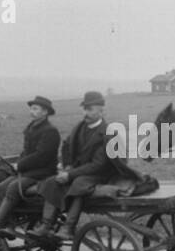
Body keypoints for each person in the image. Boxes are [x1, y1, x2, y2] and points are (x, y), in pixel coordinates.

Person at [31, 91, 115, 238]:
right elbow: (66, 146)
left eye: (90, 109)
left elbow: (98, 164)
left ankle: (68, 228)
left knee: (79, 183)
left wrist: (70, 174)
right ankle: (46, 224)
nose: (85, 113)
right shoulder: (79, 128)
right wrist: (68, 165)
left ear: (102, 111)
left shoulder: (107, 133)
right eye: (84, 109)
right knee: (51, 182)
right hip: (78, 170)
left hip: (100, 173)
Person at [0, 96, 60, 240]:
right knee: (1, 188)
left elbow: (41, 156)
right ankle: (10, 226)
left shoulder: (50, 131)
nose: (32, 111)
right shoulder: (31, 128)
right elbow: (26, 151)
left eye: (35, 109)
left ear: (45, 112)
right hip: (29, 171)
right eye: (31, 108)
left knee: (13, 187)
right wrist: (16, 165)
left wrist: (21, 165)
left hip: (43, 172)